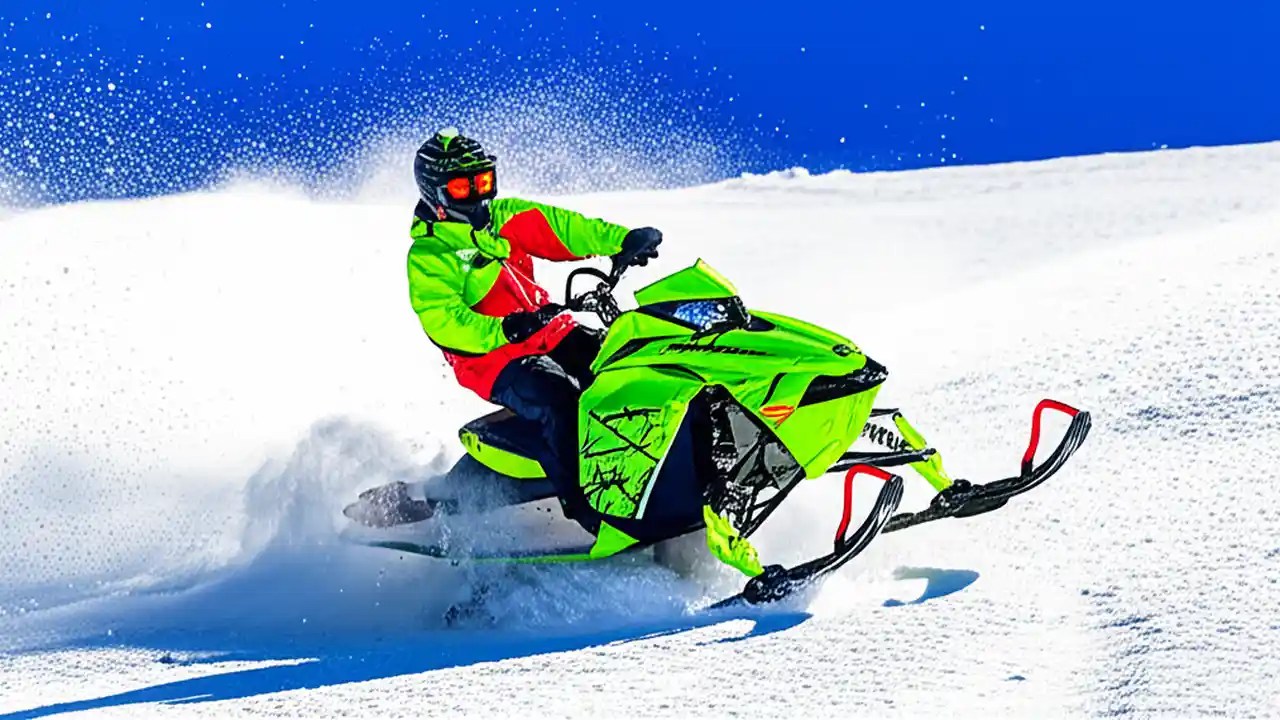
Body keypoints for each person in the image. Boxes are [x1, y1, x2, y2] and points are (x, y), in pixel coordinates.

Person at [407, 127, 662, 524]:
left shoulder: (504, 218)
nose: (478, 196)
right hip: (492, 360)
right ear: (435, 193)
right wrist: (506, 330)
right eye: (462, 187)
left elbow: (563, 228)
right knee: (559, 400)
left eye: (484, 181)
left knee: (624, 366)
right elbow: (444, 321)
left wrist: (623, 239)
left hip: (549, 331)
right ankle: (590, 512)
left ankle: (656, 476)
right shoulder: (430, 255)